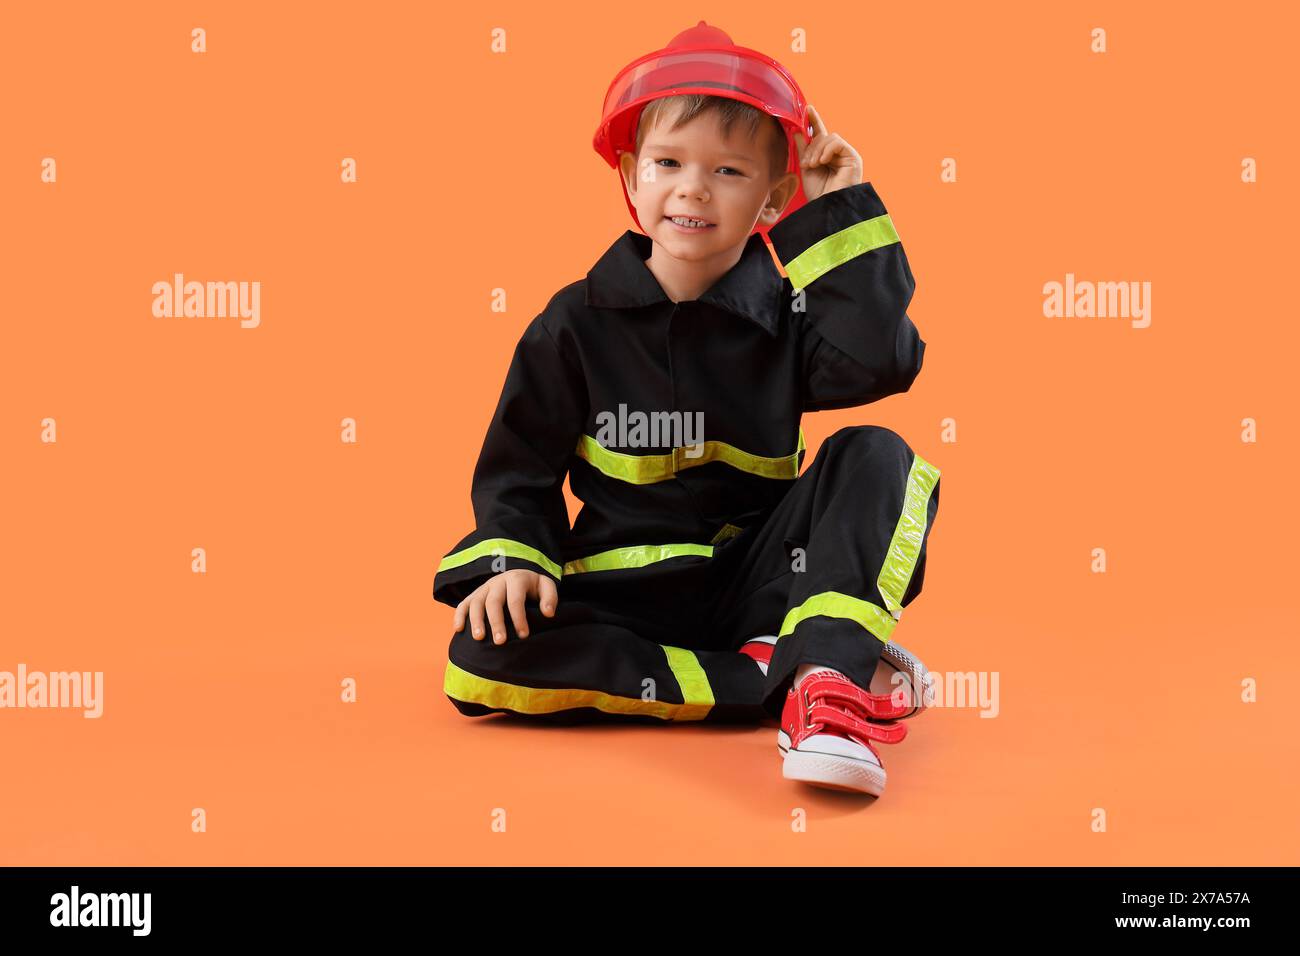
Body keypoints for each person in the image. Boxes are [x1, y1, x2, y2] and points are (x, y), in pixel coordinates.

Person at [432, 22, 940, 797]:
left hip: (763, 582)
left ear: (774, 196)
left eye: (729, 170)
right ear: (633, 177)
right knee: (481, 656)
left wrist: (835, 214)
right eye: (668, 163)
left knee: (878, 451)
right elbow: (518, 469)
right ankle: (780, 673)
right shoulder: (572, 323)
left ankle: (828, 688)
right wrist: (512, 557)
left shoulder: (793, 315)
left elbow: (883, 360)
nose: (692, 188)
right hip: (623, 596)